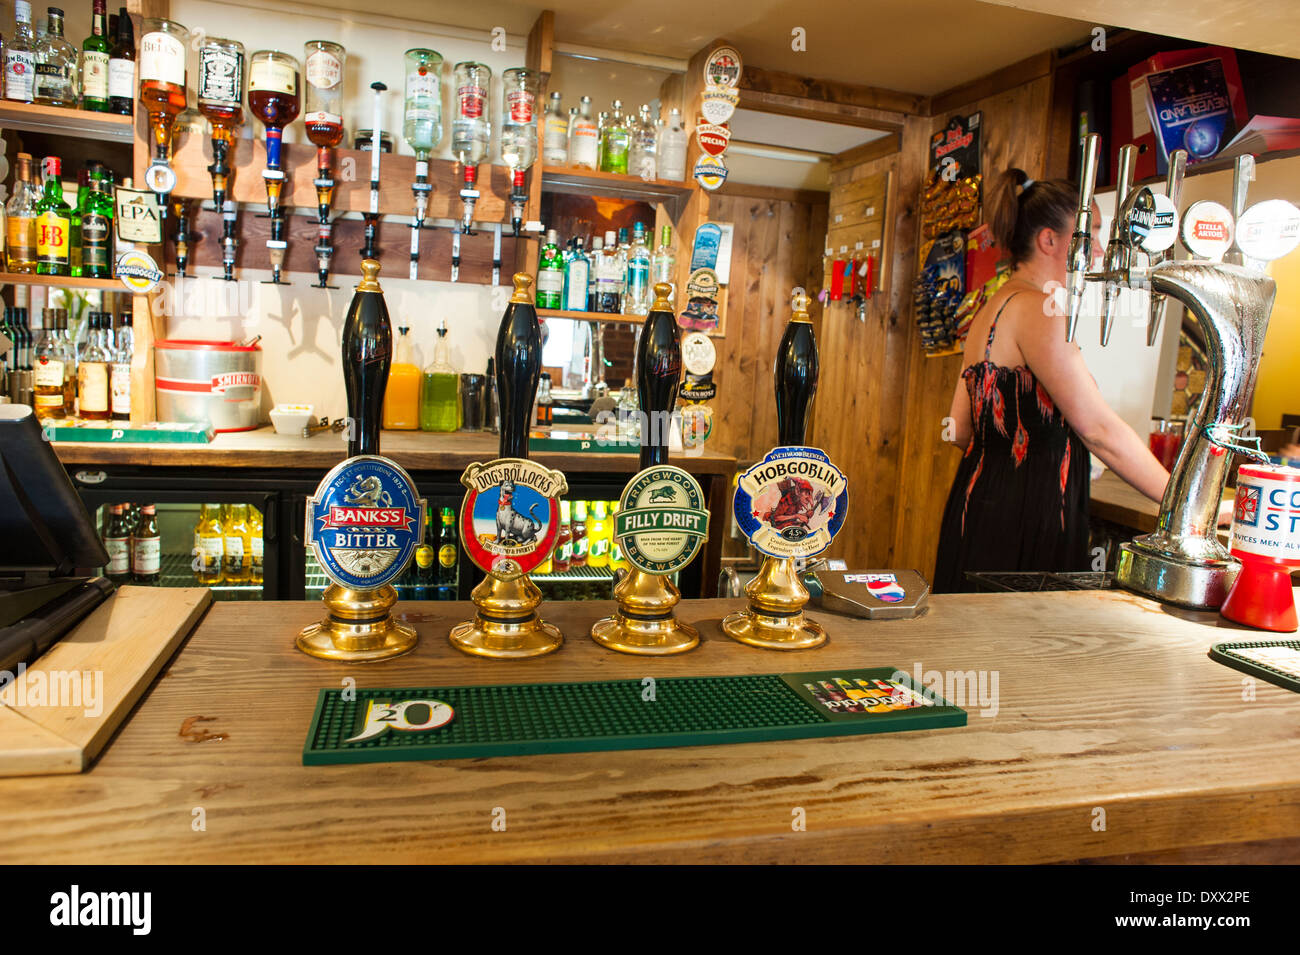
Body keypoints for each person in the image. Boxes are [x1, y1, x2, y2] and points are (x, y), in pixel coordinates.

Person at [932, 168, 1170, 593]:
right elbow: (1099, 431)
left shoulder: (992, 306)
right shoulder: (1041, 310)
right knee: (1025, 652)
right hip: (1029, 517)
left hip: (976, 508)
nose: (1099, 248)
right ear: (1049, 240)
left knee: (977, 646)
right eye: (1092, 232)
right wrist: (1179, 501)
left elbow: (959, 430)